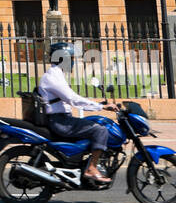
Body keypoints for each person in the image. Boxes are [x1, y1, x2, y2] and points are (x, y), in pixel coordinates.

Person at [38, 42, 120, 184]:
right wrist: (101, 107)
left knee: (96, 123)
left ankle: (84, 162)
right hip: (60, 121)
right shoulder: (53, 77)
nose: (73, 62)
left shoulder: (56, 74)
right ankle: (92, 168)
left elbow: (72, 98)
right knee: (100, 130)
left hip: (62, 119)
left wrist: (99, 105)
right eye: (71, 58)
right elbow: (73, 99)